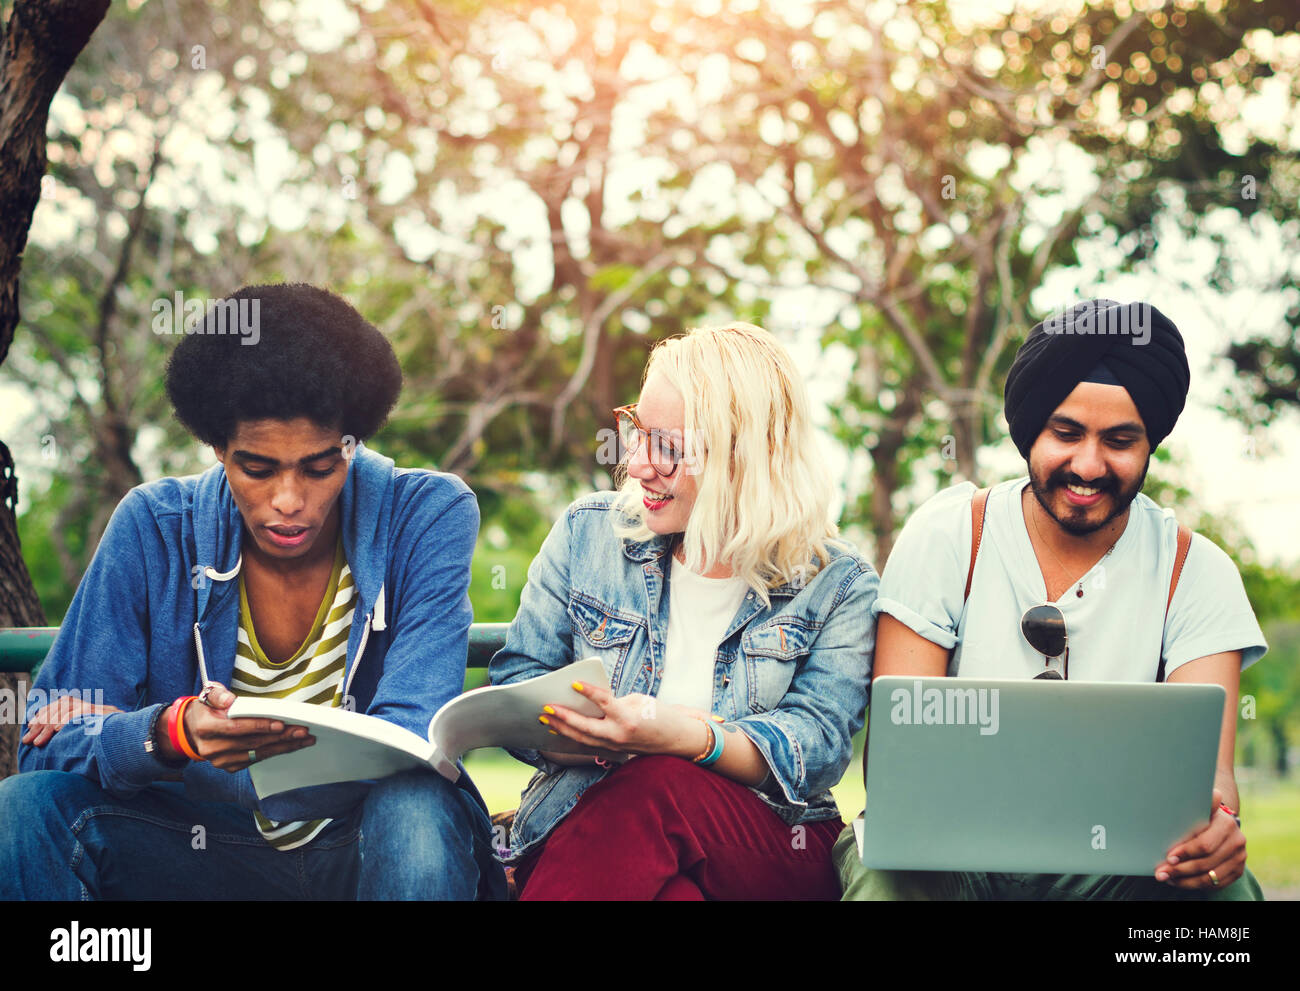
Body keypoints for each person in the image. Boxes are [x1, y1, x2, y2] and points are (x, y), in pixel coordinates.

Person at [0, 283, 505, 900]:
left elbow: (408, 743)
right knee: (28, 806)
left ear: (353, 443)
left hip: (368, 846)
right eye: (257, 469)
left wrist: (173, 749)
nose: (288, 501)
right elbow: (45, 751)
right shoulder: (154, 526)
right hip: (212, 853)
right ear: (217, 448)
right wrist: (172, 731)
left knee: (415, 805)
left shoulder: (425, 514)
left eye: (320, 467)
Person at [835, 298, 1267, 901]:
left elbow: (1211, 780)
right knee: (885, 879)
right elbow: (898, 770)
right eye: (1066, 433)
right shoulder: (948, 536)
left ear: (1150, 445)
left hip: (1119, 862)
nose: (1088, 465)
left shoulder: (1196, 572)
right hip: (947, 855)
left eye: (1119, 440)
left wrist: (1218, 830)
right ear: (1029, 430)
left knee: (1224, 892)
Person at [489, 321, 877, 900]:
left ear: (745, 457)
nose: (638, 464)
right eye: (637, 432)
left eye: (668, 447)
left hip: (767, 846)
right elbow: (518, 681)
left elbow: (813, 752)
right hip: (594, 833)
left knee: (658, 781)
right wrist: (602, 738)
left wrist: (681, 736)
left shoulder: (839, 584)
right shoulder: (586, 534)